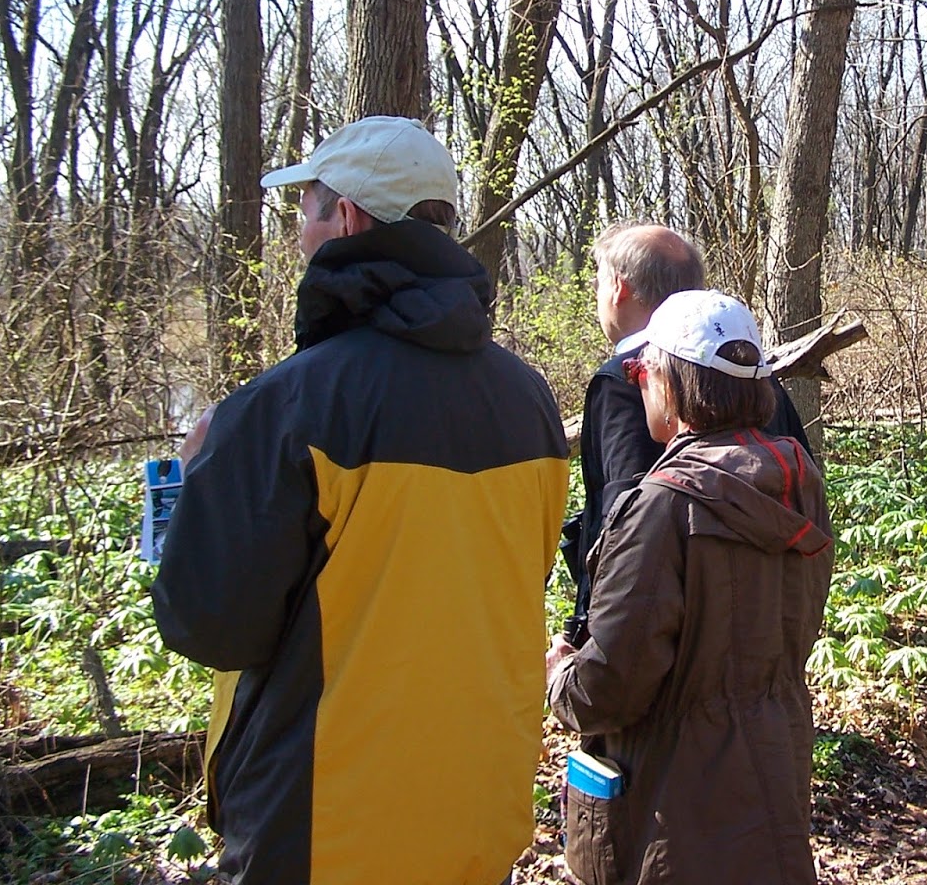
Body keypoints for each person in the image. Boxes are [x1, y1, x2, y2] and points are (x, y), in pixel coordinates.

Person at [152, 115, 569, 885]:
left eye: (304, 212)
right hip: (481, 807)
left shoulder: (285, 406)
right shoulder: (530, 401)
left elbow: (207, 621)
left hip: (326, 826)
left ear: (343, 218)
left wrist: (199, 478)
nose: (296, 236)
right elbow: (516, 580)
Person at [546, 289, 834, 885]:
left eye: (642, 370)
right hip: (777, 769)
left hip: (674, 809)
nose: (638, 382)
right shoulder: (798, 482)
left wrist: (558, 677)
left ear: (671, 386)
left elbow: (610, 686)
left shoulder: (661, 506)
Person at [560, 222, 811, 644]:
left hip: (662, 646)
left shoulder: (625, 380)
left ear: (619, 288)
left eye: (599, 282)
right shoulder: (752, 376)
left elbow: (622, 527)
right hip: (766, 633)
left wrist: (591, 643)